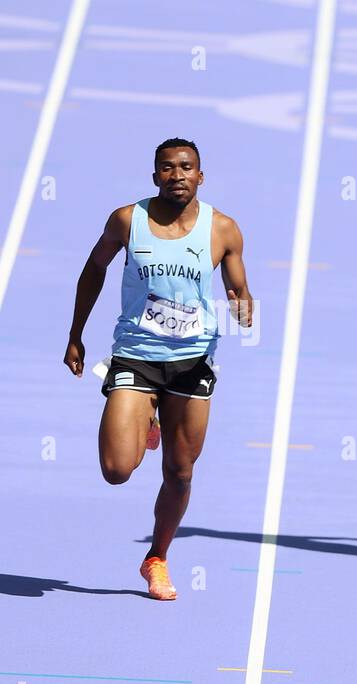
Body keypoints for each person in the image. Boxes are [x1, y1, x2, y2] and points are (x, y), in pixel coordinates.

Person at [63, 138, 253, 600]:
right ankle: (146, 416)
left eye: (186, 167)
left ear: (200, 176)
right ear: (155, 177)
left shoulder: (223, 229)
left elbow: (240, 289)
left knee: (181, 473)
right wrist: (75, 333)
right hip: (137, 356)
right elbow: (93, 268)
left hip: (192, 362)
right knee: (116, 469)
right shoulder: (128, 220)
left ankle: (157, 558)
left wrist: (242, 309)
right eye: (167, 168)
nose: (177, 175)